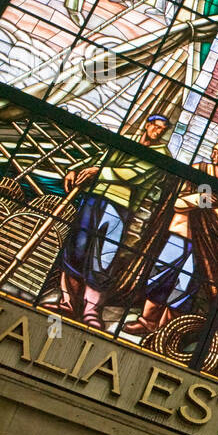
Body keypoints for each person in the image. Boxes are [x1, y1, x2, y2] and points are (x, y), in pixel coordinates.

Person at [55, 114, 171, 328]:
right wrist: (77, 168)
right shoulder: (125, 138)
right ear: (146, 125)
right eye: (156, 127)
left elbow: (134, 174)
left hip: (119, 205)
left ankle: (91, 312)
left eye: (163, 129)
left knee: (103, 257)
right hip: (93, 197)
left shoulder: (161, 153)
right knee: (76, 249)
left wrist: (98, 172)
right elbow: (100, 156)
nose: (159, 131)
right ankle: (67, 302)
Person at [123, 140, 218, 336]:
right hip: (180, 233)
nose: (215, 155)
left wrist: (212, 207)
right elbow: (177, 202)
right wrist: (201, 201)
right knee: (160, 274)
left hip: (205, 244)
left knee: (186, 284)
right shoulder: (198, 169)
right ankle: (147, 321)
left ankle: (166, 330)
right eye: (214, 151)